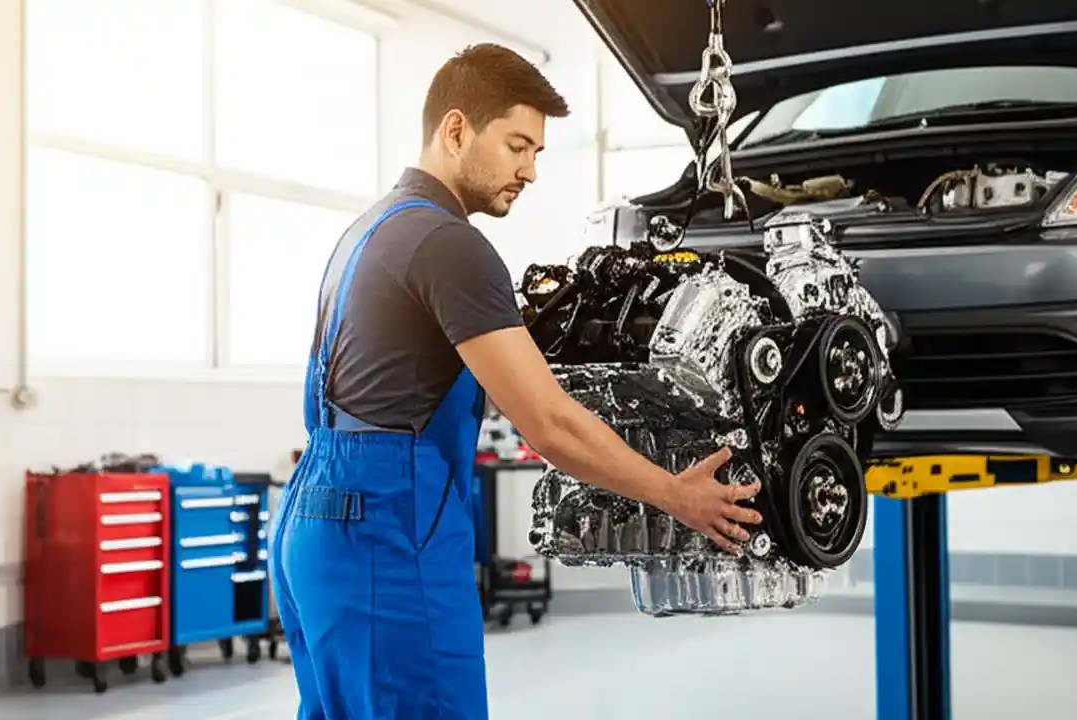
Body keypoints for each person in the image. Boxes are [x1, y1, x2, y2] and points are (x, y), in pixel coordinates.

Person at [268, 42, 763, 720]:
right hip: (388, 535)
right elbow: (549, 424)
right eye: (517, 146)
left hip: (314, 528)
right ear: (456, 130)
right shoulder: (451, 245)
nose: (529, 170)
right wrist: (674, 494)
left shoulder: (369, 229)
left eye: (537, 152)